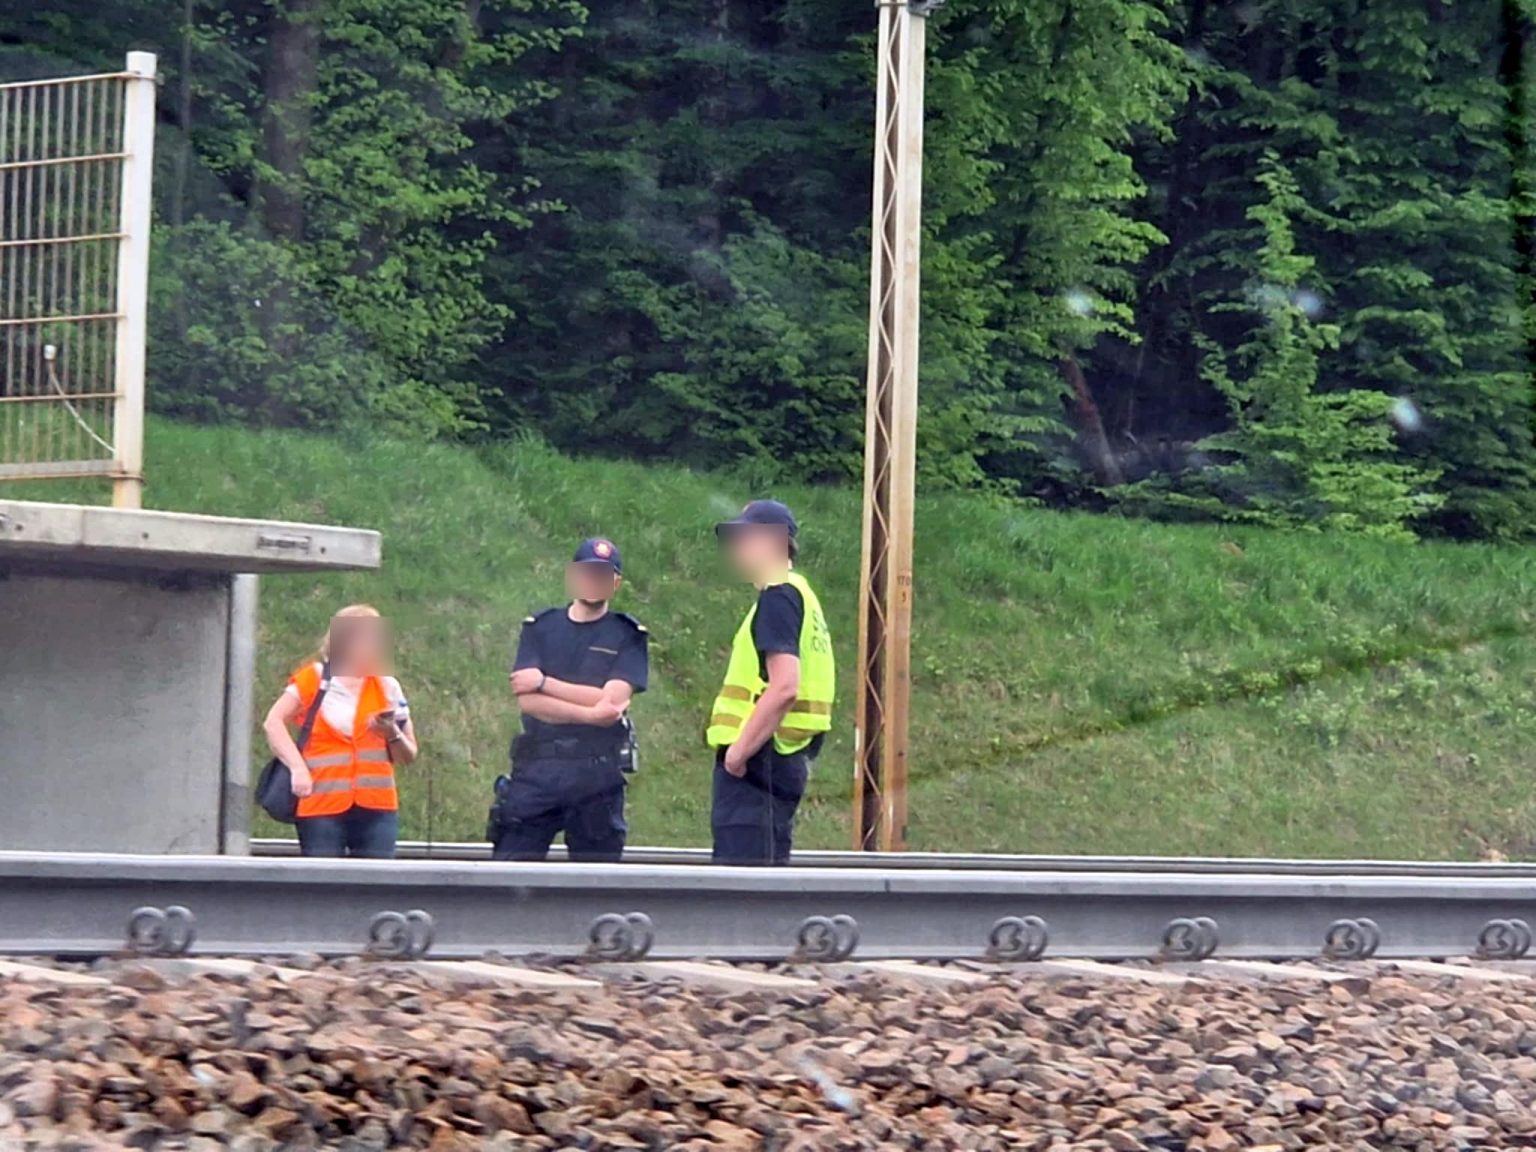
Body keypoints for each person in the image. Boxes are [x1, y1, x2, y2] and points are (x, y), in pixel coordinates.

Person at [490, 538, 649, 862]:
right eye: (588, 572)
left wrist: (545, 683)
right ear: (572, 575)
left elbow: (613, 701)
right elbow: (529, 703)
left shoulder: (627, 634)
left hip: (597, 776)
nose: (594, 580)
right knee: (508, 878)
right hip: (538, 770)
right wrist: (592, 712)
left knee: (597, 884)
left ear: (615, 583)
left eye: (603, 575)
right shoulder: (540, 628)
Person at [706, 500, 835, 865]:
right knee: (765, 887)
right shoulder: (800, 594)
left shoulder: (778, 596)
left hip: (758, 762)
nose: (737, 548)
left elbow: (785, 686)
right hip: (783, 758)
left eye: (746, 537)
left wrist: (737, 753)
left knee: (740, 896)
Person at [261, 604, 418, 858]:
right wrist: (297, 767)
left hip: (377, 805)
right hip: (321, 803)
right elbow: (273, 722)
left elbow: (408, 755)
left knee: (377, 886)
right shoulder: (313, 679)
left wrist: (391, 732)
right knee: (325, 884)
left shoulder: (387, 686)